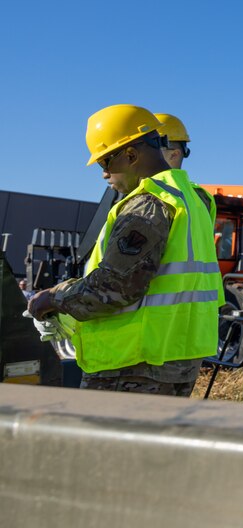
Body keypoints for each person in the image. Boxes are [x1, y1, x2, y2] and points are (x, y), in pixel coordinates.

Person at [26, 104, 223, 396]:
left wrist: (53, 297)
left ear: (130, 155)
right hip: (179, 357)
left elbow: (115, 287)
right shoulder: (197, 199)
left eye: (105, 162)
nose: (104, 174)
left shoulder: (148, 204)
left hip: (133, 363)